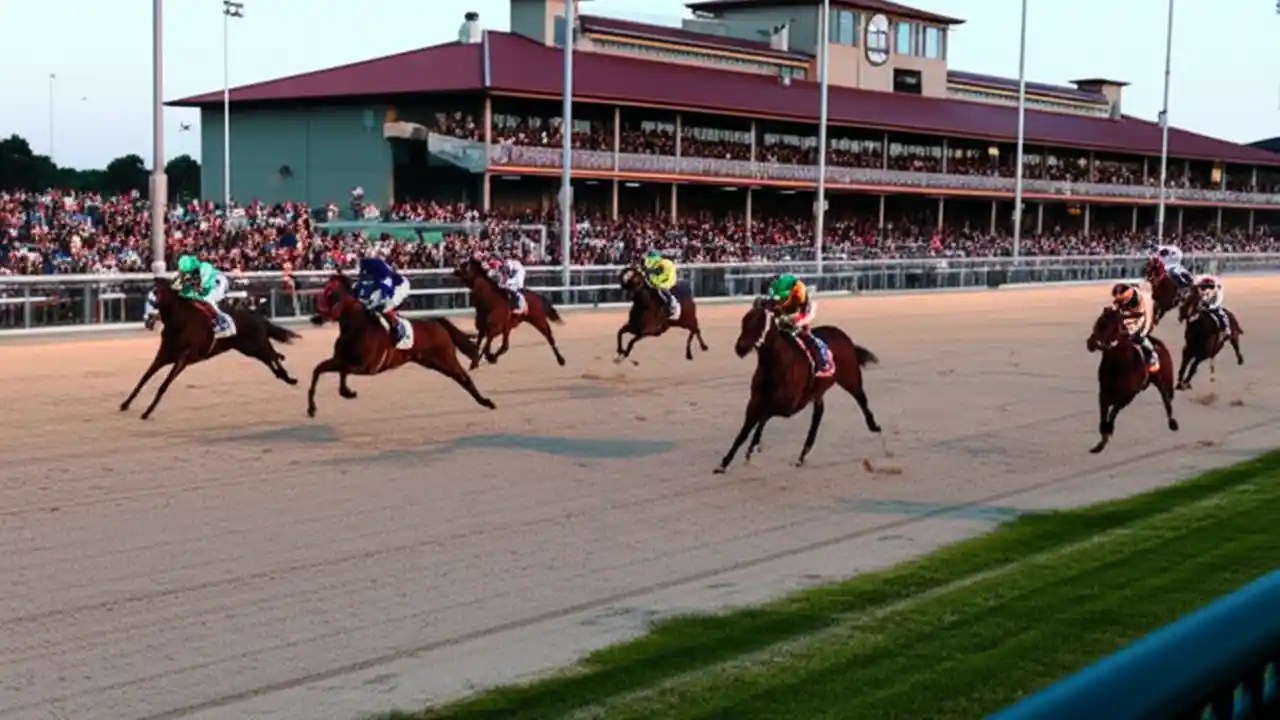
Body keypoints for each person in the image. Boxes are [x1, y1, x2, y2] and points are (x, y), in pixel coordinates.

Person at [767, 273, 833, 377]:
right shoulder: (777, 287)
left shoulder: (800, 294)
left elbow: (801, 315)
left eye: (780, 298)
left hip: (802, 313)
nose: (778, 301)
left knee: (803, 333)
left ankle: (820, 361)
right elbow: (771, 304)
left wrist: (789, 320)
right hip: (788, 310)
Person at [356, 254, 411, 345]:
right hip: (388, 285)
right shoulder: (368, 268)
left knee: (383, 306)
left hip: (400, 287)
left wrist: (382, 298)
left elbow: (387, 291)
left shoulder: (383, 274)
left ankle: (398, 326)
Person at [175, 254, 234, 338]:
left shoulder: (205, 268)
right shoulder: (184, 273)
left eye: (189, 272)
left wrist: (190, 286)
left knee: (208, 298)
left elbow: (204, 289)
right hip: (204, 288)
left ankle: (223, 324)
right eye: (185, 272)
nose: (187, 274)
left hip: (218, 282)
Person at [1112, 282, 1159, 373]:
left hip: (1141, 321)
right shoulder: (1126, 298)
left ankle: (1152, 355)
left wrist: (1124, 315)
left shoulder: (1140, 299)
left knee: (1139, 337)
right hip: (1128, 321)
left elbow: (1140, 313)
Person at [641, 249, 680, 320]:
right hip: (659, 281)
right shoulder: (654, 263)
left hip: (666, 280)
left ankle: (673, 304)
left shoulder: (663, 262)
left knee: (661, 290)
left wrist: (648, 271)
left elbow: (658, 271)